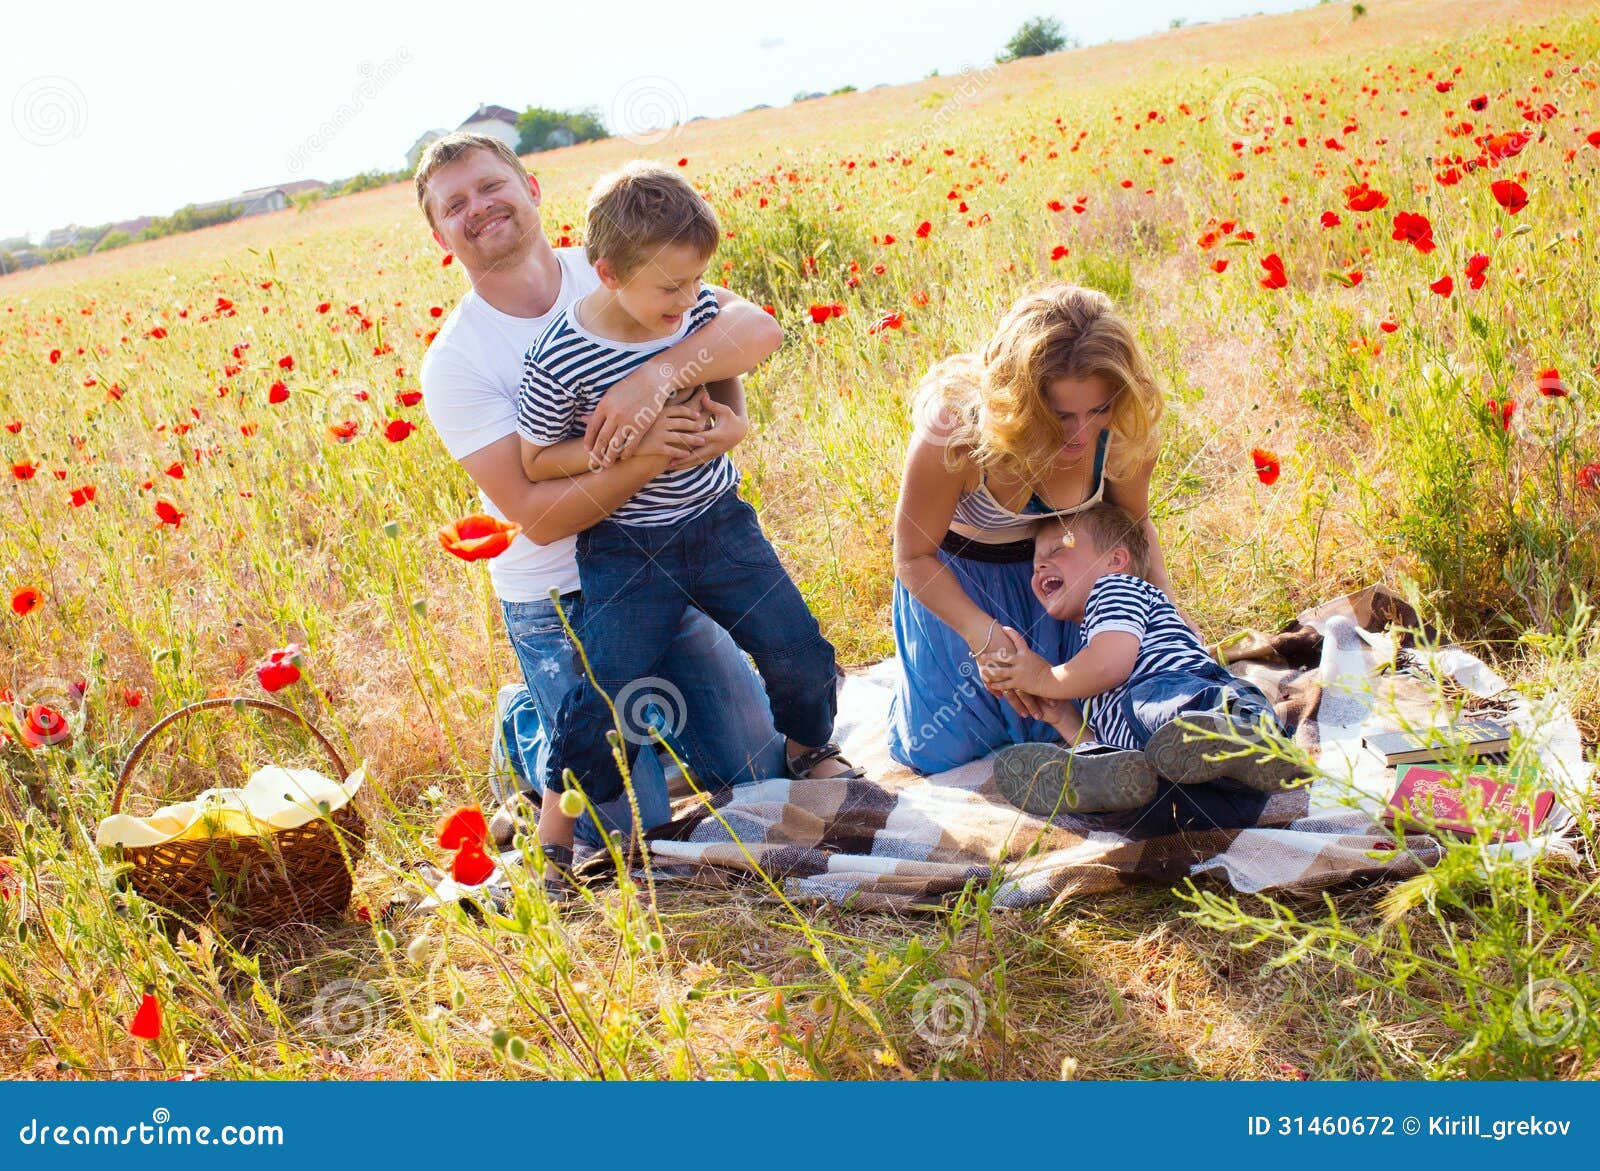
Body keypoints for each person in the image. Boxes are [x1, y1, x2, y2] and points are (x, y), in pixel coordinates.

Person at [416, 133, 789, 856]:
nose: (479, 208)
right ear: (439, 234)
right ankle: (528, 719)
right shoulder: (455, 360)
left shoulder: (615, 264)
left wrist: (655, 377)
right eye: (455, 204)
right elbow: (535, 514)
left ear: (531, 187)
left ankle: (633, 714)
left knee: (756, 769)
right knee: (619, 828)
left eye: (492, 185)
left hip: (667, 559)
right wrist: (652, 451)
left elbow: (753, 327)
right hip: (562, 596)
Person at [514, 161, 859, 892]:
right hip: (624, 547)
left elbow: (747, 348)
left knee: (798, 648)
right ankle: (552, 832)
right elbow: (539, 459)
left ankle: (808, 746)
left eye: (697, 281)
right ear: (607, 273)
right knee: (605, 689)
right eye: (670, 287)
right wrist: (630, 448)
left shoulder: (694, 318)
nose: (689, 300)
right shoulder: (558, 356)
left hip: (718, 524)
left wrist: (722, 421)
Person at [889, 283, 1172, 775]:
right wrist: (983, 637)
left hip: (1065, 584)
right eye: (1060, 416)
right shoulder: (955, 431)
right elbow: (912, 556)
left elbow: (1135, 527)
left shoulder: (1125, 431)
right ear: (1019, 403)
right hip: (957, 584)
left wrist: (1168, 617)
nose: (1082, 435)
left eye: (1097, 410)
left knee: (1093, 721)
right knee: (945, 753)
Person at [979, 505, 1300, 815]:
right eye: (1035, 562)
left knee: (1154, 706)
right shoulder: (1090, 660)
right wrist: (1063, 717)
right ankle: (1096, 790)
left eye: (1056, 551)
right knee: (1131, 781)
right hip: (1208, 794)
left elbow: (1110, 666)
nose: (1039, 567)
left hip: (1178, 687)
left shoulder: (1116, 589)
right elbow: (1109, 733)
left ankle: (1245, 733)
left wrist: (1041, 677)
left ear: (1115, 560)